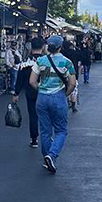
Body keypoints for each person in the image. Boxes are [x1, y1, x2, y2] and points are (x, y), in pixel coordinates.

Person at [29, 35, 77, 174]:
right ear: (60, 47)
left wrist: (41, 90)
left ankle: (46, 158)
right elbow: (72, 83)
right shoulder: (67, 62)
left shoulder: (40, 61)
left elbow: (32, 81)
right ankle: (52, 155)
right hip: (58, 97)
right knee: (61, 130)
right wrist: (65, 94)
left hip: (42, 98)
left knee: (45, 131)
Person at [13, 37, 45, 148]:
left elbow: (19, 79)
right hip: (45, 92)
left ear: (31, 47)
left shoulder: (25, 63)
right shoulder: (46, 62)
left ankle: (34, 139)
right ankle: (47, 137)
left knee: (33, 115)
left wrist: (16, 93)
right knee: (45, 115)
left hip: (30, 92)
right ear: (43, 47)